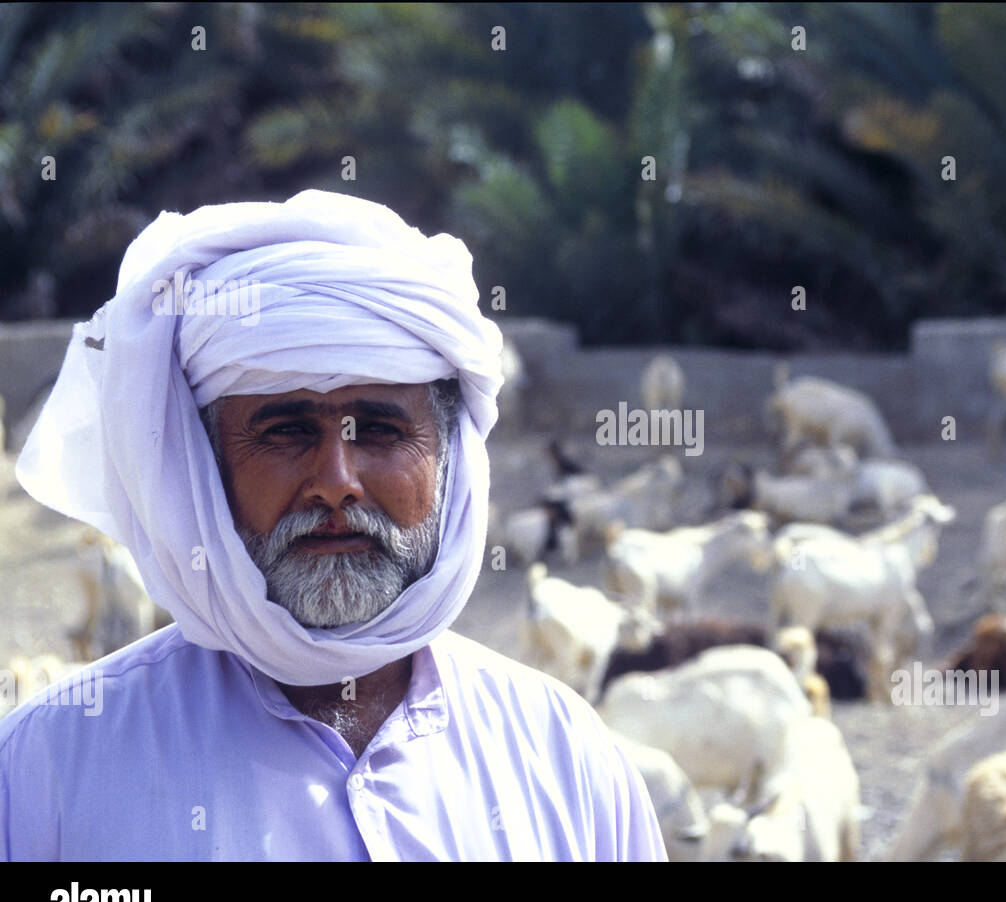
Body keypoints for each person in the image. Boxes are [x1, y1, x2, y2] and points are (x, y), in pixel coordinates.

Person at [0, 190, 667, 861]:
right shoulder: (49, 772)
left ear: (448, 457)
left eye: (379, 430)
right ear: (204, 467)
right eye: (286, 431)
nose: (336, 481)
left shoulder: (568, 763)